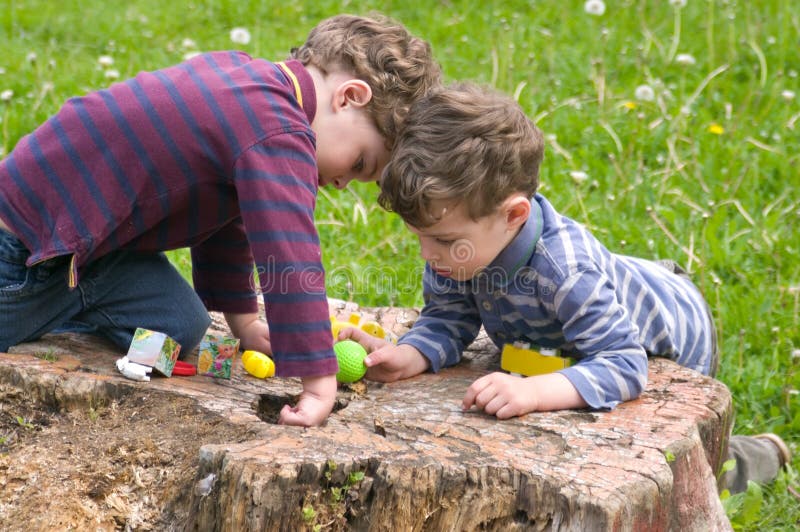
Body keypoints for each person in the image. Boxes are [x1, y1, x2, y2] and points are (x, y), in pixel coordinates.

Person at [341, 83, 791, 493]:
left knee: (674, 470)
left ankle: (763, 455)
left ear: (514, 215)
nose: (426, 254)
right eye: (417, 236)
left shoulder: (566, 274)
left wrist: (534, 392)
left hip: (672, 339)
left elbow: (624, 364)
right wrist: (409, 354)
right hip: (574, 333)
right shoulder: (459, 247)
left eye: (441, 241)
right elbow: (449, 317)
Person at [0, 14, 442, 427]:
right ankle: (43, 309)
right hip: (28, 251)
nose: (345, 183)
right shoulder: (281, 130)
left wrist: (245, 322)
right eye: (362, 162)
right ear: (349, 96)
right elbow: (288, 250)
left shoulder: (245, 83)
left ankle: (64, 306)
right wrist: (317, 377)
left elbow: (232, 218)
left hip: (92, 252)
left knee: (182, 324)